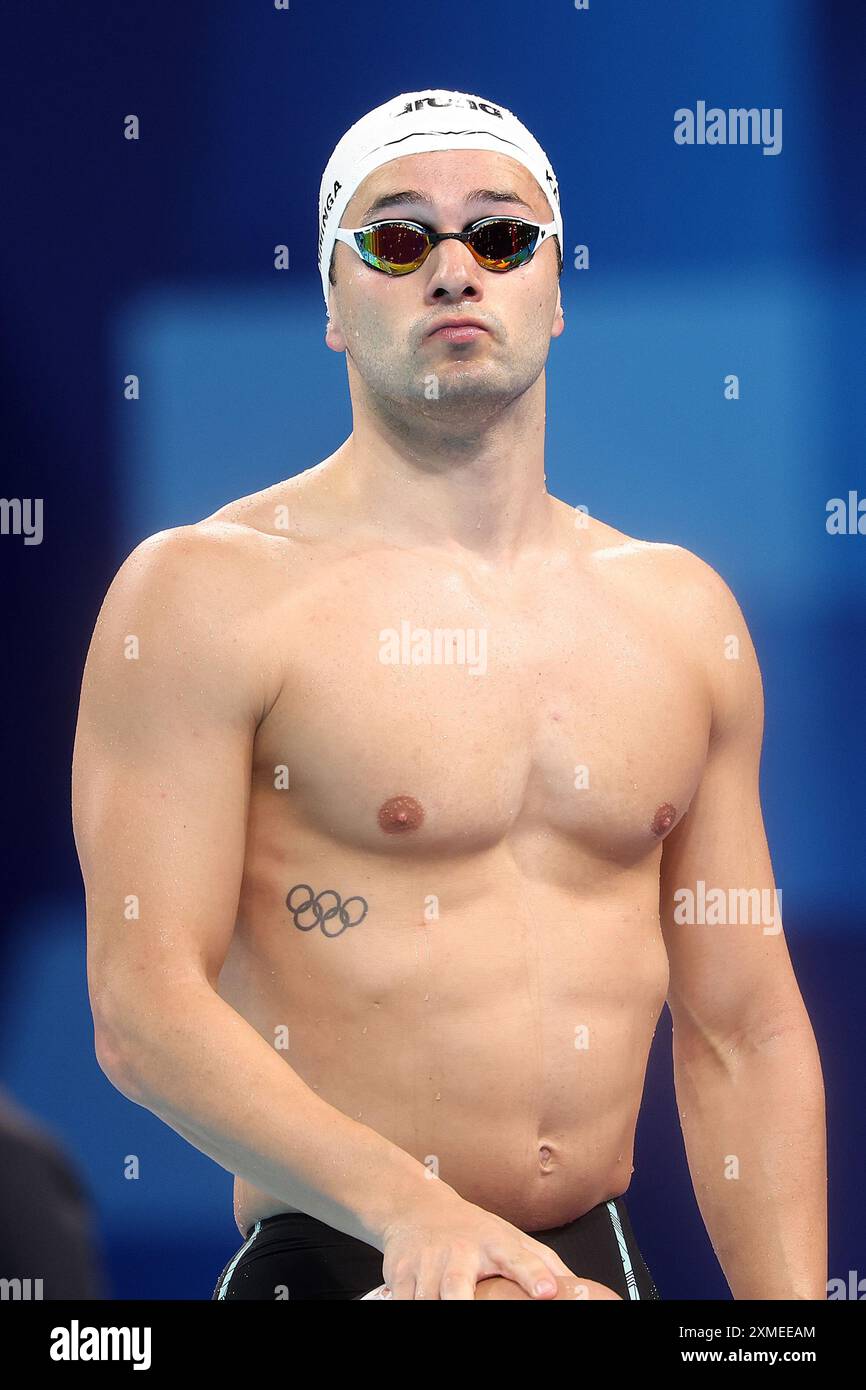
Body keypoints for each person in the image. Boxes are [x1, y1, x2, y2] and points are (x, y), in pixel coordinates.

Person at [72, 88, 826, 1301]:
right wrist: (418, 1214)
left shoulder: (680, 616)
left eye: (501, 234)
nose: (453, 270)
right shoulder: (202, 596)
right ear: (330, 301)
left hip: (593, 1270)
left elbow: (743, 1028)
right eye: (396, 238)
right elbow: (140, 1001)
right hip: (347, 1258)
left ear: (556, 289)